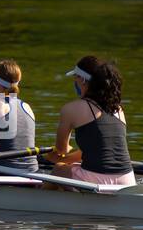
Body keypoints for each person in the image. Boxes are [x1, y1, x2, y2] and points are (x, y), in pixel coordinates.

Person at [47, 55, 136, 186]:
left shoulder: (71, 109)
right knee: (73, 165)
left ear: (82, 80)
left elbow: (60, 151)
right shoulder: (118, 109)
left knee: (58, 169)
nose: (74, 81)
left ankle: (36, 201)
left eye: (75, 77)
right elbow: (96, 149)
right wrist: (69, 160)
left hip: (97, 179)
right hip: (127, 180)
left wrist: (51, 157)